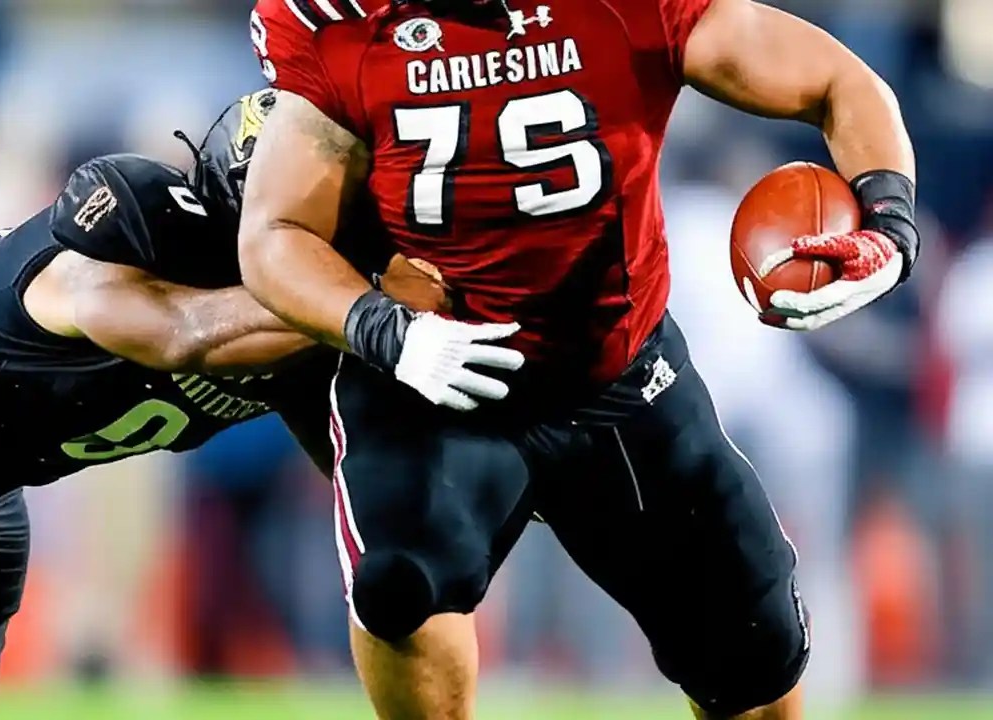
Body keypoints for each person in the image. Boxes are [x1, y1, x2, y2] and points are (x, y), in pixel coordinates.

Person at [238, 1, 920, 718]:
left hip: (617, 372)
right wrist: (387, 330)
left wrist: (890, 222)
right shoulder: (345, 19)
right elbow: (275, 232)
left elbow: (839, 81)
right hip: (435, 369)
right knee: (400, 585)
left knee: (752, 661)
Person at [0, 89, 448, 720]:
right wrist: (362, 312)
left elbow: (355, 472)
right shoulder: (142, 218)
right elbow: (172, 332)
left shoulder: (307, 335)